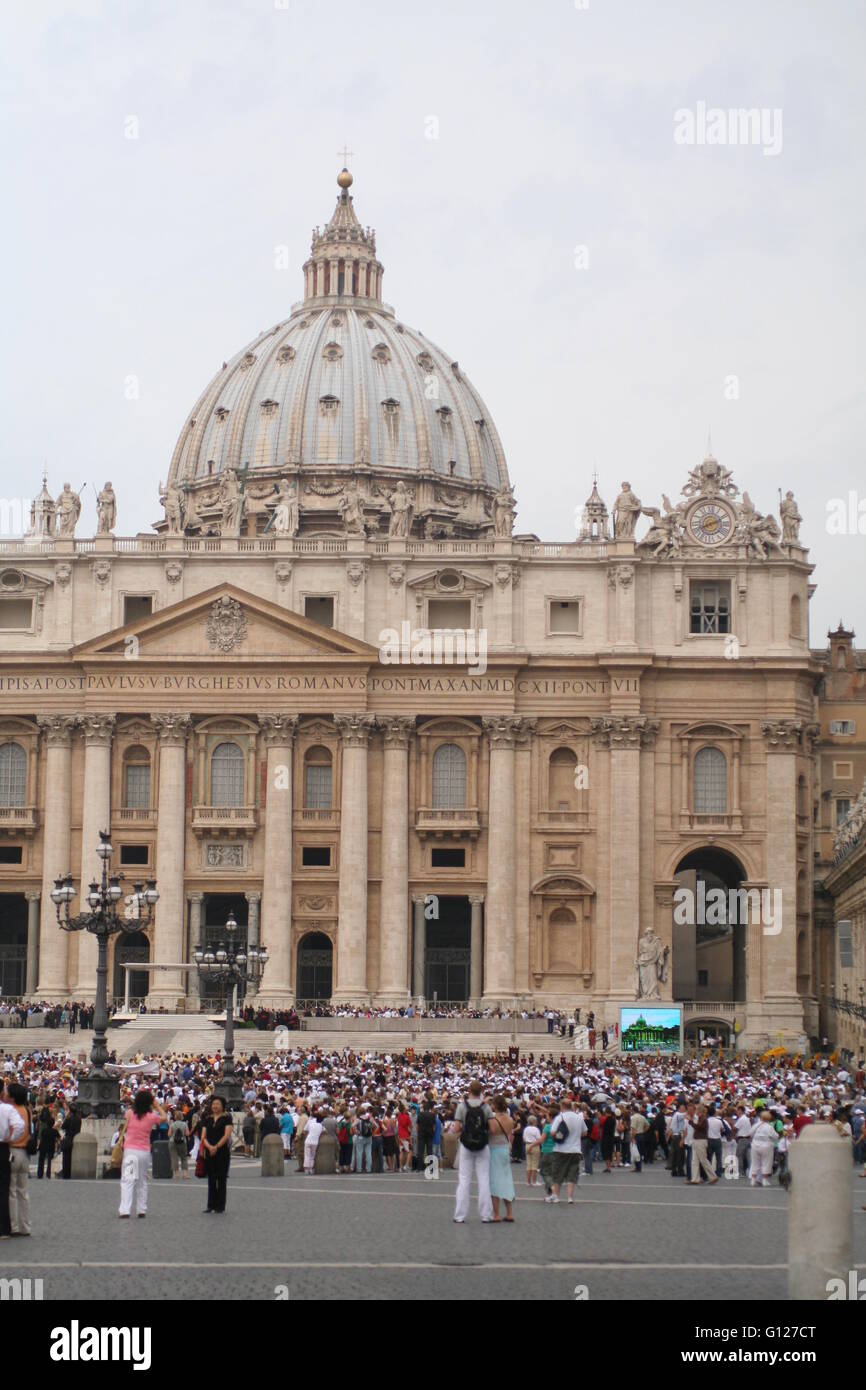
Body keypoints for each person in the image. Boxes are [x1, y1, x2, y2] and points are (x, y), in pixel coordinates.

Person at [119, 1090, 168, 1218]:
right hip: (144, 1151)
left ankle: (125, 1210)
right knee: (142, 1181)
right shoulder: (151, 1115)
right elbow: (164, 1118)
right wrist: (157, 1106)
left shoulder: (129, 1113)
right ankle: (141, 1209)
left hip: (130, 1150)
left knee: (128, 1180)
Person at [453, 1080, 493, 1223]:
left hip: (466, 1145)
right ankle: (486, 1215)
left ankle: (460, 1215)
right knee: (484, 1180)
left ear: (469, 1090)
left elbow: (457, 1128)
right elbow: (492, 1128)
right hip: (483, 1145)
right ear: (481, 1091)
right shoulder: (486, 1107)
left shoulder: (462, 1106)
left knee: (464, 1180)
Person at [5, 1083, 32, 1237]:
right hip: (25, 1153)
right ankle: (25, 1226)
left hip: (13, 1150)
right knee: (23, 1192)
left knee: (11, 1192)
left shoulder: (12, 1111)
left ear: (13, 1096)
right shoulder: (27, 1111)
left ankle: (14, 1226)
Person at [0, 1087, 26, 1239]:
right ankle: (3, 1229)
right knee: (3, 1189)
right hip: (2, 1147)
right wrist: (11, 1137)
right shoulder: (7, 1109)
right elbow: (19, 1126)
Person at [549, 1099, 586, 1204]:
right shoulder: (579, 1117)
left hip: (560, 1149)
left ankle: (556, 1195)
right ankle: (570, 1197)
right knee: (572, 1173)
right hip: (575, 1149)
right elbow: (584, 1133)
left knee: (558, 1173)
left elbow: (552, 1133)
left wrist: (561, 1135)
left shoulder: (560, 1117)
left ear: (562, 1106)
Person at [201, 1096, 232, 1212]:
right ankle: (211, 1205)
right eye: (213, 1104)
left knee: (221, 1179)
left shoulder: (226, 1119)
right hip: (209, 1151)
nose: (215, 1106)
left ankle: (220, 1205)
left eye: (217, 1104)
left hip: (222, 1151)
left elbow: (227, 1135)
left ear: (222, 1106)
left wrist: (216, 1147)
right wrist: (209, 1147)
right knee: (211, 1179)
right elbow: (203, 1135)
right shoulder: (207, 1119)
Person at [488, 1094, 515, 1222]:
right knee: (506, 1179)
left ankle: (496, 1214)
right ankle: (509, 1213)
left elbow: (490, 1133)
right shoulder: (510, 1120)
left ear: (495, 1105)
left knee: (494, 1181)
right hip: (505, 1149)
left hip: (494, 1149)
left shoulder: (492, 1119)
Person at [688, 1106, 719, 1186]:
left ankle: (712, 1176)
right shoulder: (701, 1119)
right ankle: (695, 1178)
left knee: (703, 1160)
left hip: (700, 1141)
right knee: (695, 1161)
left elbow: (699, 1127)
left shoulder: (703, 1119)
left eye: (697, 1111)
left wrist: (691, 1122)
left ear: (699, 1111)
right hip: (697, 1140)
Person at [748, 1112, 778, 1187]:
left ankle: (753, 1180)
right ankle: (765, 1180)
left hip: (755, 1145)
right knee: (766, 1162)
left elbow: (750, 1133)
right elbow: (775, 1136)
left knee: (755, 1163)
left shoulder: (756, 1125)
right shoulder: (769, 1127)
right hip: (767, 1146)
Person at [60, 1101, 81, 1179]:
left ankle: (66, 1174)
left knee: (66, 1158)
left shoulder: (69, 1119)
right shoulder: (78, 1119)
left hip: (68, 1138)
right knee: (71, 1158)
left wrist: (66, 1116)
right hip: (75, 1138)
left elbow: (63, 1126)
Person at [168, 1108, 190, 1181]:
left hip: (172, 1142)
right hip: (182, 1142)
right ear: (182, 1117)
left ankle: (176, 1174)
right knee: (184, 1158)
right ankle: (185, 1174)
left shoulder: (172, 1124)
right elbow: (187, 1133)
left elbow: (169, 1134)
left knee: (174, 1158)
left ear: (175, 1117)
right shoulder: (184, 1124)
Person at [523, 1114, 541, 1187]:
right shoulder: (536, 1129)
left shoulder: (526, 1129)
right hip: (534, 1145)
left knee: (528, 1164)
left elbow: (523, 1138)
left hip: (527, 1145)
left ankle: (528, 1181)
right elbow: (539, 1139)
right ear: (534, 1121)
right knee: (534, 1164)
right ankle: (534, 1181)